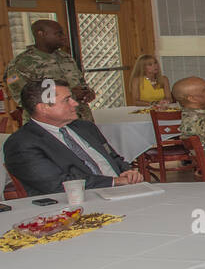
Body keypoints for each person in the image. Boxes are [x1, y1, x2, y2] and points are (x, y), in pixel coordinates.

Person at [3, 80, 144, 195]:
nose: (75, 103)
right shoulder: (22, 144)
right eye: (66, 100)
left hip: (124, 192)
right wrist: (115, 182)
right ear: (43, 108)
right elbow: (56, 185)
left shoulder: (85, 127)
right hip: (77, 205)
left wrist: (128, 172)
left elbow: (113, 157)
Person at [4, 19, 95, 121]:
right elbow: (23, 99)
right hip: (49, 126)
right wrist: (71, 95)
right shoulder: (21, 63)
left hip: (81, 121)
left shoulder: (66, 58)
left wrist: (88, 92)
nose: (64, 37)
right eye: (58, 33)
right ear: (41, 34)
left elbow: (80, 82)